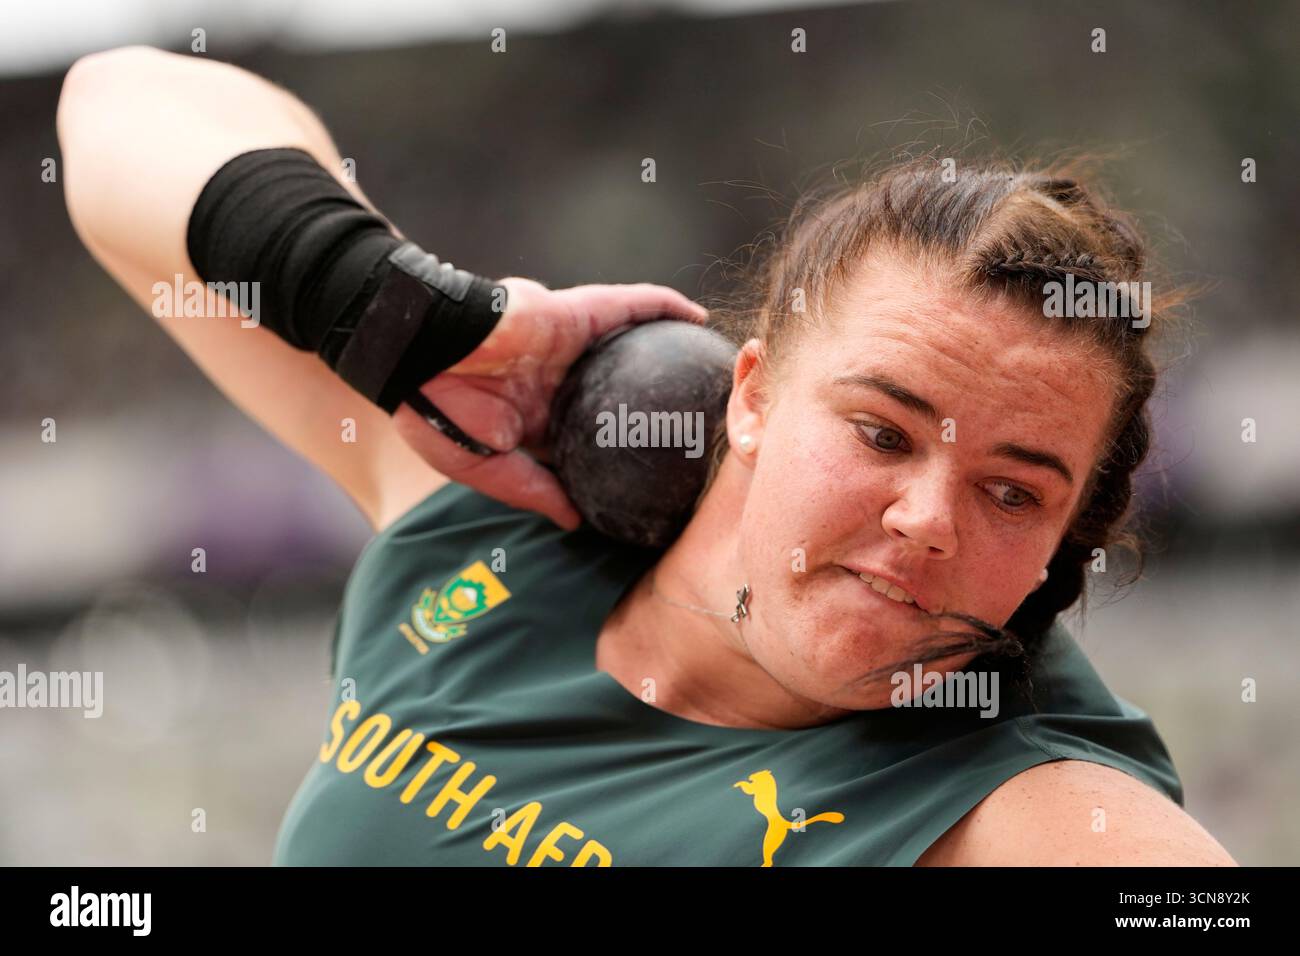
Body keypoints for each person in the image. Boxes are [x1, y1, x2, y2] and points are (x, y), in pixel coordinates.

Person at [57, 45, 1236, 866]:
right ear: (756, 394)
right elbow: (122, 100)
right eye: (881, 430)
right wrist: (387, 307)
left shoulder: (1019, 810)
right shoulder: (496, 504)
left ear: (1063, 538)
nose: (930, 516)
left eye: (1013, 491)